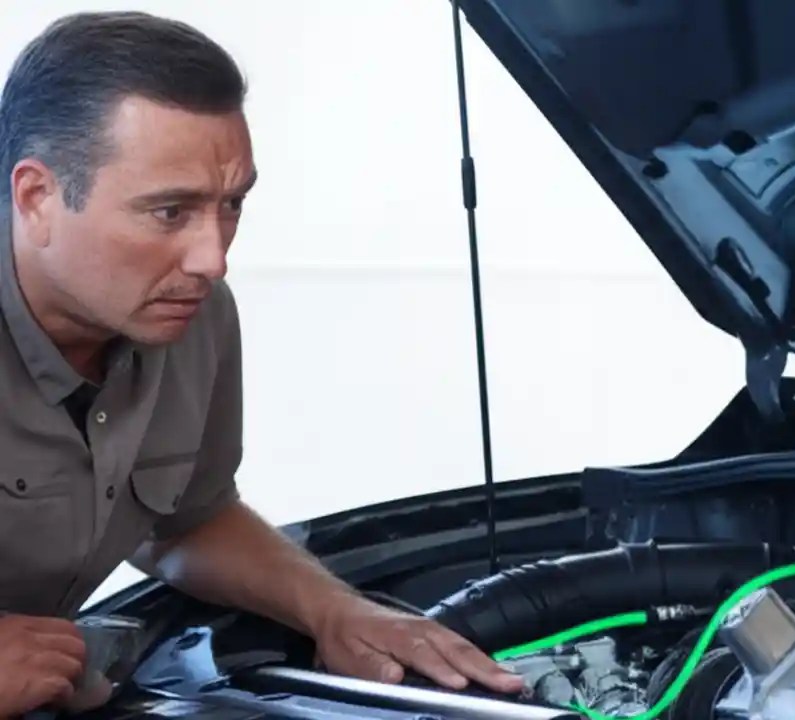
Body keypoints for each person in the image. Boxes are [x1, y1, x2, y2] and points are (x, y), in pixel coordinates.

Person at [0, 11, 523, 716]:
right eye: (169, 212)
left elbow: (188, 521)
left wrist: (337, 611)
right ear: (37, 197)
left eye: (231, 205)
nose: (212, 259)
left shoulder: (191, 315)